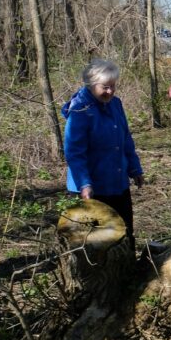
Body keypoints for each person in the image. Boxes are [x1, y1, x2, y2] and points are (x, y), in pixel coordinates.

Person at [63, 59, 144, 247]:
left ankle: (128, 272)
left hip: (117, 182)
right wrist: (84, 183)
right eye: (105, 87)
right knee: (99, 242)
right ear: (91, 85)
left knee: (125, 233)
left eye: (113, 86)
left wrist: (135, 169)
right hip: (93, 188)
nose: (110, 91)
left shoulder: (116, 104)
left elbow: (126, 140)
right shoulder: (80, 109)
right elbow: (74, 152)